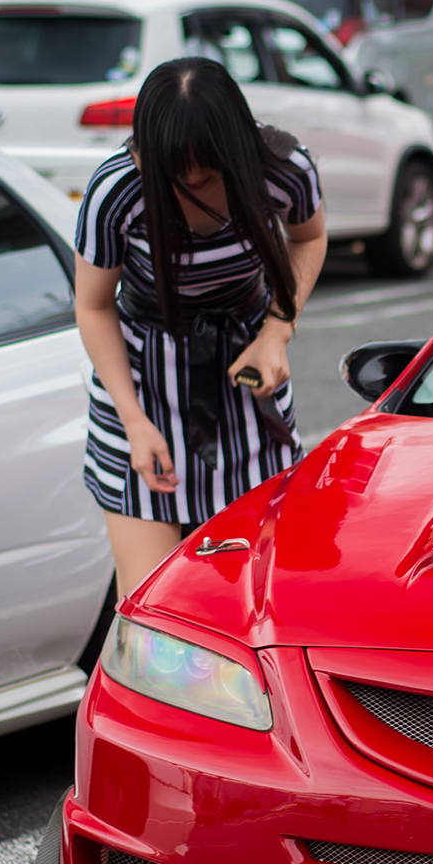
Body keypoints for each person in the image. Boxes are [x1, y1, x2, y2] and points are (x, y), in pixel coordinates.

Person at [74, 60, 327, 600]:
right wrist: (135, 423)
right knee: (151, 606)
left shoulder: (282, 168)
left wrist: (277, 330)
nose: (190, 183)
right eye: (174, 171)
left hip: (245, 378)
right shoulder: (117, 191)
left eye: (206, 171)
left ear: (235, 147)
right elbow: (94, 307)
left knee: (256, 595)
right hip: (142, 386)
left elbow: (309, 239)